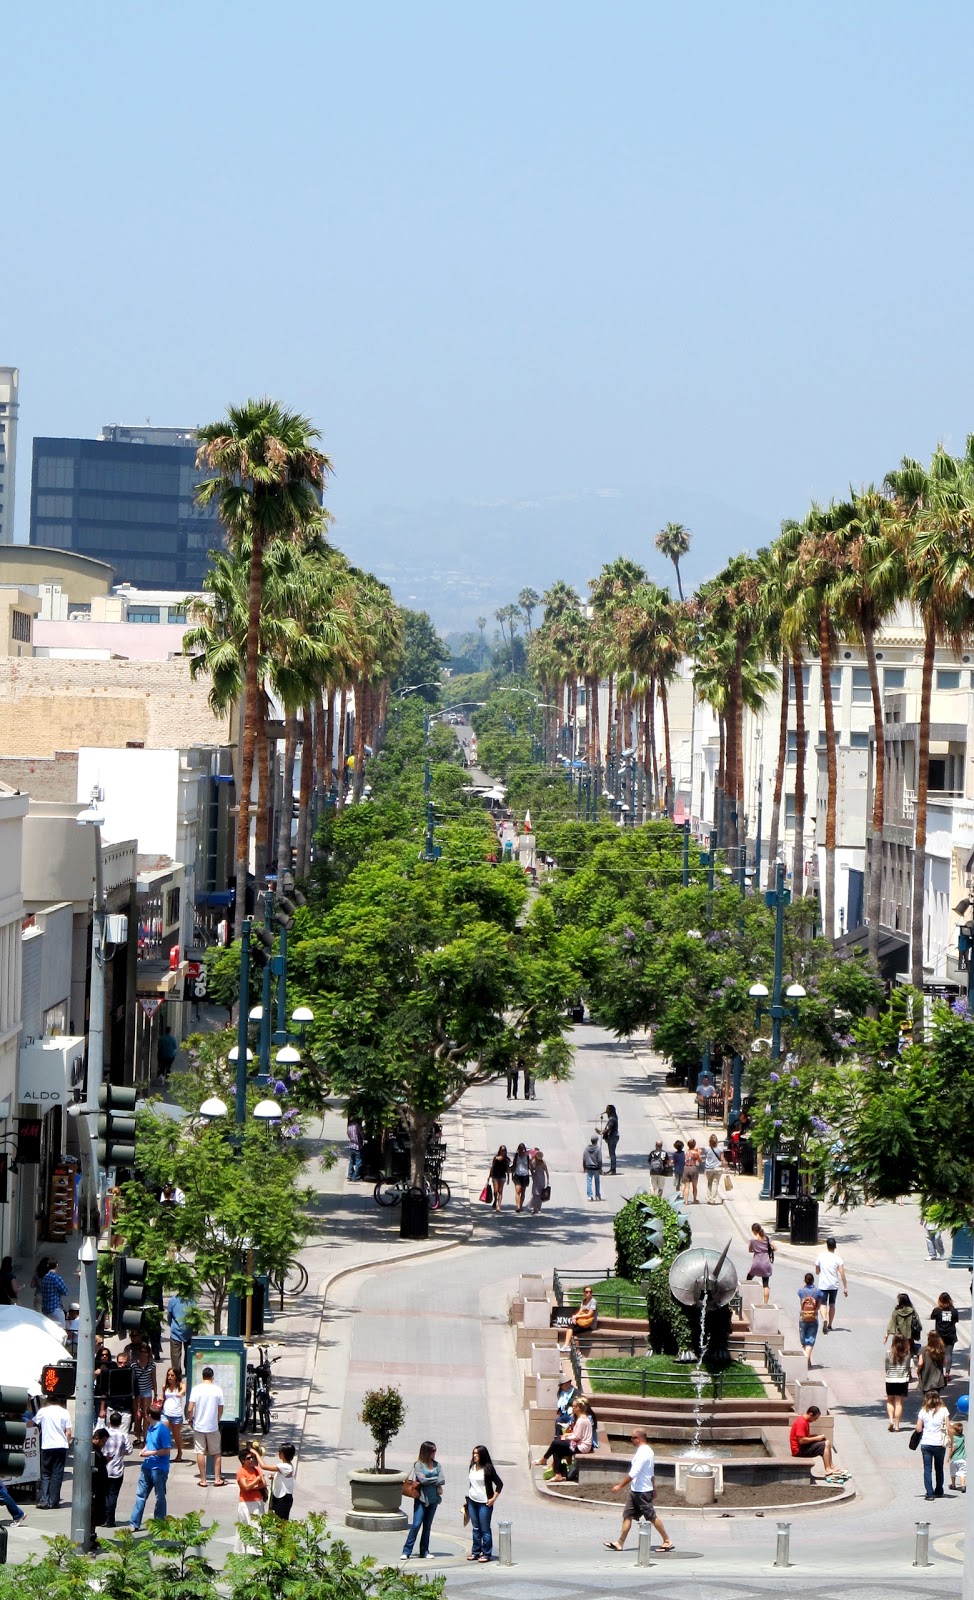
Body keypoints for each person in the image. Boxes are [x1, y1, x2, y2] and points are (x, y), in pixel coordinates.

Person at [604, 1427, 673, 1552]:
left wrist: (620, 1486)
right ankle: (620, 1542)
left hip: (642, 1491)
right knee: (627, 1515)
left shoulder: (644, 1453)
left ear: (639, 1438)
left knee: (651, 1516)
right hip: (636, 1490)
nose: (631, 1440)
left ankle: (667, 1541)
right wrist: (654, 1488)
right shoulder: (647, 1451)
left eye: (632, 1438)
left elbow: (634, 1473)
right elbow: (651, 1472)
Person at [128, 1402, 173, 1530]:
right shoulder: (150, 1429)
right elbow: (149, 1443)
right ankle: (134, 1523)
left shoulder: (162, 1430)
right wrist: (144, 1450)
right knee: (140, 1495)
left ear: (149, 1416)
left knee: (160, 1496)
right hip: (147, 1466)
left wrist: (150, 1453)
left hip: (159, 1468)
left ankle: (159, 1522)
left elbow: (166, 1450)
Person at [401, 1440, 445, 1560]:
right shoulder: (418, 1464)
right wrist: (433, 1479)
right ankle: (406, 1551)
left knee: (427, 1526)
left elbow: (442, 1480)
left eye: (435, 1451)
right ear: (426, 1452)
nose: (435, 1453)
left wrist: (429, 1480)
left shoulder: (437, 1465)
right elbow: (422, 1480)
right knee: (416, 1524)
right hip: (421, 1499)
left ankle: (424, 1551)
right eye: (433, 1451)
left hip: (433, 1499)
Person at [534, 1399, 593, 1481]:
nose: (572, 1408)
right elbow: (577, 1434)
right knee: (556, 1448)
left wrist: (565, 1437)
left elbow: (577, 1437)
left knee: (556, 1443)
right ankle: (557, 1474)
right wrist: (565, 1435)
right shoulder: (582, 1418)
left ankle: (544, 1459)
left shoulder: (581, 1420)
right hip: (577, 1444)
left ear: (578, 1408)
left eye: (574, 1406)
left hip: (582, 1447)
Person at [187, 1364, 226, 1486]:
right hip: (212, 1425)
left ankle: (203, 1480)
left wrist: (190, 1420)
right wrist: (217, 1420)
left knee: (200, 1451)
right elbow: (220, 1408)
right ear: (212, 1377)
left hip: (199, 1425)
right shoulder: (217, 1390)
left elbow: (190, 1408)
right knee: (216, 1452)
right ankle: (217, 1479)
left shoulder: (196, 1389)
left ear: (202, 1376)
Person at [465, 1444, 503, 1562]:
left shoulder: (488, 1469)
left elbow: (499, 1484)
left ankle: (486, 1553)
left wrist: (493, 1499)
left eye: (477, 1454)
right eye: (474, 1453)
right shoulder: (472, 1466)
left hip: (484, 1503)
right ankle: (475, 1552)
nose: (475, 1456)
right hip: (472, 1501)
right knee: (475, 1527)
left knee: (485, 1528)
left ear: (482, 1455)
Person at [913, 1390, 953, 1500]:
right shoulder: (944, 1410)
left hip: (926, 1443)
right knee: (939, 1468)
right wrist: (952, 1441)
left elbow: (918, 1428)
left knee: (927, 1469)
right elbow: (949, 1428)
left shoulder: (923, 1411)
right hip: (939, 1444)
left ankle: (929, 1493)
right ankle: (939, 1490)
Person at [36, 1391, 73, 1509]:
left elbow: (33, 1423)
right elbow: (68, 1432)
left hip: (47, 1445)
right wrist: (66, 1442)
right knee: (57, 1474)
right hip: (60, 1446)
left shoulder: (43, 1411)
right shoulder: (64, 1412)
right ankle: (54, 1501)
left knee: (46, 1473)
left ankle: (44, 1500)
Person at [789, 1405, 843, 1481]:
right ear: (810, 1414)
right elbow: (801, 1440)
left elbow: (804, 1437)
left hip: (802, 1447)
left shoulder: (805, 1421)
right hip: (798, 1450)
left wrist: (816, 1437)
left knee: (826, 1442)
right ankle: (828, 1469)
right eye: (815, 1418)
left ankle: (831, 1467)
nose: (815, 1420)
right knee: (825, 1444)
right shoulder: (801, 1422)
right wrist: (816, 1438)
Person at [234, 1446, 267, 1550]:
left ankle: (256, 1551)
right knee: (245, 1527)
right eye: (248, 1458)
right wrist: (256, 1481)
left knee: (257, 1527)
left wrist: (253, 1485)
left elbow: (264, 1484)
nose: (251, 1460)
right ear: (242, 1460)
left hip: (258, 1502)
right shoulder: (241, 1472)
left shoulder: (256, 1469)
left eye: (252, 1457)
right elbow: (245, 1487)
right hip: (246, 1503)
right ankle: (242, 1551)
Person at [103, 1410, 132, 1527]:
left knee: (104, 1494)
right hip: (117, 1469)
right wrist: (121, 1452)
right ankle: (110, 1519)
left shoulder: (104, 1434)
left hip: (105, 1468)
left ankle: (103, 1518)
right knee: (113, 1495)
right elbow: (129, 1451)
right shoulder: (123, 1435)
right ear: (120, 1423)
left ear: (109, 1422)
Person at [814, 1237, 848, 1332]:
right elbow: (842, 1273)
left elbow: (817, 1271)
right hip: (834, 1285)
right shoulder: (838, 1259)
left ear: (827, 1246)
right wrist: (845, 1287)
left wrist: (821, 1269)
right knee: (832, 1304)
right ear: (835, 1247)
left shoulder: (821, 1256)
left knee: (823, 1304)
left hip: (823, 1284)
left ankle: (824, 1319)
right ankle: (829, 1324)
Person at [884, 1334, 913, 1432]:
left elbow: (886, 1366)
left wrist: (888, 1373)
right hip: (902, 1380)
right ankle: (897, 1426)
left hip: (890, 1379)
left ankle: (891, 1420)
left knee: (890, 1400)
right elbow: (909, 1368)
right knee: (899, 1403)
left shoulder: (889, 1353)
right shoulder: (907, 1354)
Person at [132, 1342, 158, 1448]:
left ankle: (145, 1438)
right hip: (137, 1392)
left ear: (148, 1353)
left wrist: (155, 1394)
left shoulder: (151, 1365)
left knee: (146, 1416)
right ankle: (138, 1437)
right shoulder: (134, 1365)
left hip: (147, 1391)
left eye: (146, 1352)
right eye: (141, 1352)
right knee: (137, 1415)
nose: (143, 1354)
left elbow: (154, 1380)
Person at [261, 1442, 296, 1519]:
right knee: (276, 1519)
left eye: (280, 1452)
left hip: (284, 1497)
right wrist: (274, 1477)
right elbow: (283, 1477)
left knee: (281, 1522)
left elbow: (264, 1466)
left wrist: (257, 1454)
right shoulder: (286, 1466)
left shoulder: (285, 1466)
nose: (278, 1453)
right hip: (279, 1495)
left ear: (284, 1454)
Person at [559, 1285, 598, 1350]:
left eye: (590, 1292)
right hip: (582, 1322)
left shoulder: (593, 1302)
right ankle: (566, 1346)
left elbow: (589, 1315)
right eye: (587, 1292)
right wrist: (575, 1317)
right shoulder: (584, 1301)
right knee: (571, 1326)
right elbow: (580, 1311)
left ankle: (567, 1346)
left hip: (589, 1324)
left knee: (571, 1329)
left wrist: (577, 1316)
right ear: (584, 1293)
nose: (588, 1293)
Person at [797, 1273, 823, 1369]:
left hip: (803, 1317)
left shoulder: (801, 1291)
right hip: (813, 1317)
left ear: (805, 1280)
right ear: (813, 1280)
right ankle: (805, 1363)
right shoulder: (818, 1292)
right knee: (810, 1341)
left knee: (804, 1341)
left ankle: (807, 1362)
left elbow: (801, 1302)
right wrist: (815, 1310)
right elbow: (819, 1305)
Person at [167, 1291, 195, 1377]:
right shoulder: (192, 1300)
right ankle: (189, 1373)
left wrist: (171, 1325)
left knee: (175, 1357)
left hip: (176, 1331)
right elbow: (195, 1316)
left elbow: (169, 1315)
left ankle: (176, 1375)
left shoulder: (173, 1300)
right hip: (189, 1332)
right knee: (189, 1354)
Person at [161, 1367, 186, 1462]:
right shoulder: (165, 1386)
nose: (170, 1377)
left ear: (176, 1376)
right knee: (164, 1433)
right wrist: (160, 1399)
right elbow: (163, 1396)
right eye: (168, 1375)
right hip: (165, 1413)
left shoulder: (180, 1385)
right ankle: (165, 1453)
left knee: (176, 1435)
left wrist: (180, 1393)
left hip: (176, 1415)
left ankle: (180, 1452)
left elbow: (184, 1390)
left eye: (172, 1375)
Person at [932, 1293, 959, 1379]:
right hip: (950, 1335)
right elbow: (956, 1320)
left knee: (938, 1353)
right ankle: (947, 1373)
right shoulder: (954, 1311)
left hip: (939, 1336)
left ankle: (939, 1372)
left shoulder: (937, 1310)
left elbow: (932, 1317)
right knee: (949, 1354)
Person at [747, 1223, 774, 1304]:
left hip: (756, 1264)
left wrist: (756, 1250)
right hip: (766, 1264)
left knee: (749, 1278)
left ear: (754, 1231)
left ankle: (748, 1296)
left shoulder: (752, 1240)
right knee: (765, 1285)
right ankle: (765, 1303)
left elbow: (750, 1250)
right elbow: (775, 1248)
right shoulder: (767, 1238)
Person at [91, 1428, 110, 1541]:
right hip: (94, 1489)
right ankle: (90, 1536)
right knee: (92, 1515)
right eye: (103, 1442)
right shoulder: (92, 1450)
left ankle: (92, 1535)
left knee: (96, 1515)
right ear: (96, 1438)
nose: (103, 1445)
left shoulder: (97, 1450)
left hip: (99, 1488)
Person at [917, 1332, 948, 1397]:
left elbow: (920, 1363)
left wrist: (918, 1370)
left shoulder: (923, 1349)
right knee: (936, 1396)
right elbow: (945, 1362)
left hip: (926, 1376)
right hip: (938, 1378)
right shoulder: (941, 1349)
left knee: (927, 1396)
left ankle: (928, 1406)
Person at [38, 1261, 69, 1327]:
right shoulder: (56, 1278)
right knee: (62, 1328)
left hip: (45, 1309)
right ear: (57, 1265)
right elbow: (65, 1291)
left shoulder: (44, 1278)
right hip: (55, 1308)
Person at [702, 1133, 728, 1204]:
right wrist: (726, 1168)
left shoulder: (706, 1149)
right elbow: (722, 1159)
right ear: (717, 1141)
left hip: (709, 1168)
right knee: (715, 1183)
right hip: (717, 1168)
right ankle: (713, 1199)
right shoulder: (720, 1149)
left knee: (709, 1183)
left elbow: (703, 1154)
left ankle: (708, 1198)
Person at [511, 1144, 532, 1213]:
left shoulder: (527, 1156)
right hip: (517, 1174)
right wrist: (511, 1174)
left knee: (523, 1192)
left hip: (525, 1175)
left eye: (523, 1149)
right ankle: (518, 1206)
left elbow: (530, 1166)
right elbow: (514, 1165)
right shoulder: (516, 1156)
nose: (521, 1151)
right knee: (518, 1190)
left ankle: (520, 1205)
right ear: (518, 1149)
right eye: (520, 1149)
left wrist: (533, 1173)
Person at [582, 1134, 603, 1201]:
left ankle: (590, 1196)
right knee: (597, 1182)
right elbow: (599, 1160)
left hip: (589, 1167)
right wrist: (600, 1168)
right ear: (596, 1141)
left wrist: (584, 1167)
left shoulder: (586, 1149)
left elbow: (584, 1158)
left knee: (589, 1181)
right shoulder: (598, 1149)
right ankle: (597, 1195)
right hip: (596, 1168)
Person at [489, 1146, 510, 1210]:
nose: (503, 1151)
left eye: (504, 1150)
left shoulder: (507, 1159)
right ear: (500, 1150)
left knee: (500, 1191)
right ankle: (495, 1200)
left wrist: (508, 1178)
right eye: (502, 1150)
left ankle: (499, 1206)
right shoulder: (496, 1158)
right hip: (495, 1175)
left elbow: (507, 1169)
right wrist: (489, 1176)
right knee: (496, 1191)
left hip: (502, 1176)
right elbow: (492, 1167)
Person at [529, 1149, 549, 1214]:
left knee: (540, 1193)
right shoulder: (534, 1162)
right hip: (536, 1178)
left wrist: (548, 1180)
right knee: (535, 1193)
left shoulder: (543, 1163)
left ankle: (538, 1208)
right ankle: (535, 1208)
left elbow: (546, 1172)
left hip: (541, 1179)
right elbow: (532, 1169)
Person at [602, 1105, 620, 1175]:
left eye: (607, 1110)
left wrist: (602, 1132)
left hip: (613, 1137)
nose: (606, 1111)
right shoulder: (613, 1117)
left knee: (612, 1154)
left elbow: (610, 1127)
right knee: (611, 1153)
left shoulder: (612, 1118)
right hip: (614, 1136)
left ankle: (613, 1169)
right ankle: (612, 1169)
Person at [682, 1139, 701, 1203]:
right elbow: (700, 1161)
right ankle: (694, 1199)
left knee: (687, 1186)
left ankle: (686, 1200)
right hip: (693, 1167)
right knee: (694, 1185)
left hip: (686, 1167)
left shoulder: (686, 1152)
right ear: (694, 1145)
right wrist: (698, 1153)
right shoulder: (695, 1153)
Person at [950, 1420, 966, 1493]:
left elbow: (952, 1449)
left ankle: (953, 1485)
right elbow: (957, 1429)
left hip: (954, 1459)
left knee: (953, 1473)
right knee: (962, 1473)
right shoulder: (963, 1437)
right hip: (962, 1459)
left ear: (955, 1432)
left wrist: (948, 1457)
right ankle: (963, 1486)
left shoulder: (953, 1439)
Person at [346, 1115, 364, 1181]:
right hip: (357, 1147)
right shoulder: (357, 1127)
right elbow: (362, 1135)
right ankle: (355, 1177)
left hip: (351, 1146)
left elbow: (348, 1135)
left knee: (351, 1161)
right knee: (359, 1162)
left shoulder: (349, 1127)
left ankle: (350, 1175)